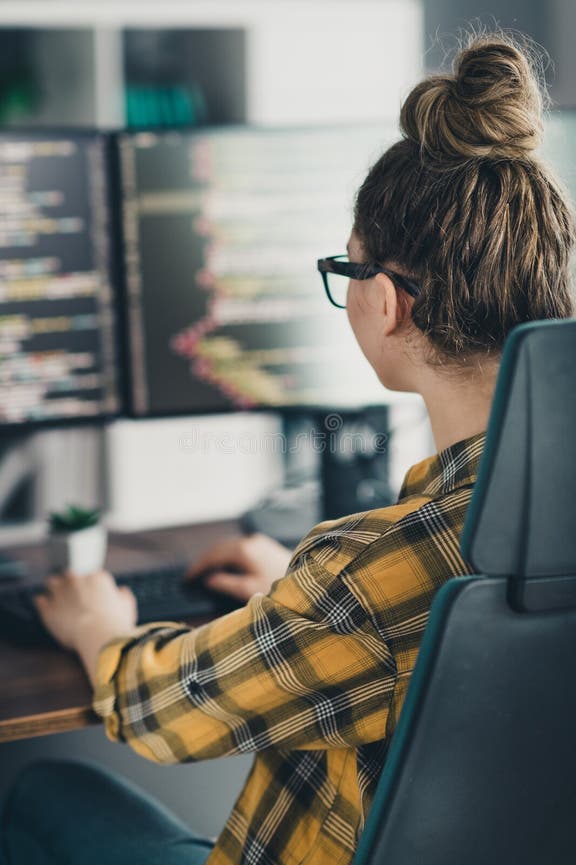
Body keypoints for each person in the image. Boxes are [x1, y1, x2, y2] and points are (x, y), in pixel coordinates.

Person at [2, 31, 574, 865]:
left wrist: (102, 630)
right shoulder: (415, 570)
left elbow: (164, 714)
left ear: (385, 303)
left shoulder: (363, 576)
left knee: (43, 789)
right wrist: (296, 599)